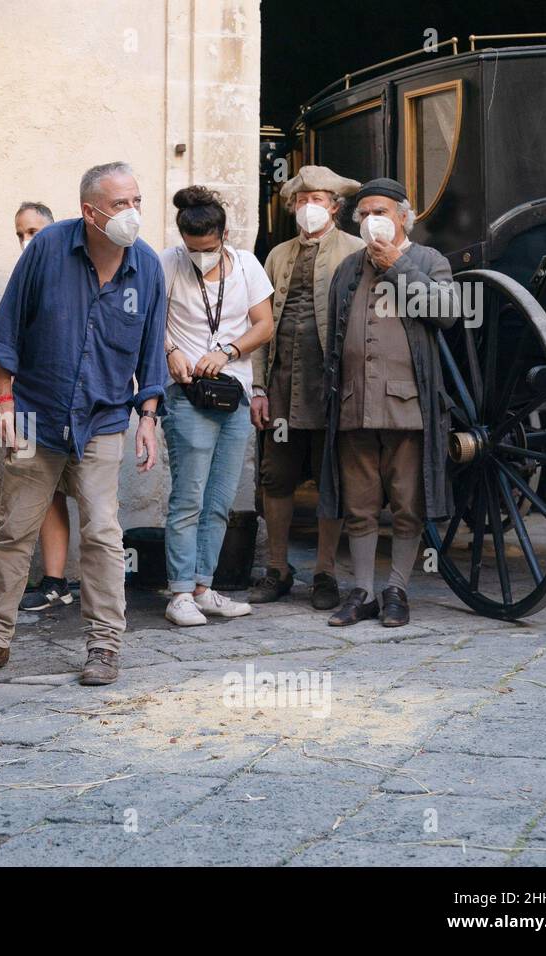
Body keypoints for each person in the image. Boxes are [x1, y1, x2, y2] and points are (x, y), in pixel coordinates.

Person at [0, 161, 167, 686]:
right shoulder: (48, 249)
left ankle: (104, 648)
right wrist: (3, 403)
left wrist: (147, 416)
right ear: (89, 211)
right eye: (120, 204)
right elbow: (5, 329)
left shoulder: (145, 267)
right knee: (14, 531)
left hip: (102, 420)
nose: (132, 213)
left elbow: (151, 353)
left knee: (102, 533)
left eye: (137, 202)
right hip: (36, 415)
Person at [319, 178, 458, 627]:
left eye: (379, 211)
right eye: (363, 214)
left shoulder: (429, 261)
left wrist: (398, 265)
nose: (370, 220)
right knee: (358, 506)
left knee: (406, 504)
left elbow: (446, 312)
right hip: (354, 406)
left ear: (403, 215)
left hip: (408, 407)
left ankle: (396, 589)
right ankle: (361, 592)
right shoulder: (347, 268)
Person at [248, 166, 364, 610]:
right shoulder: (277, 255)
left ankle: (325, 573)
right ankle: (277, 568)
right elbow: (259, 324)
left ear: (335, 207)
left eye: (319, 199)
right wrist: (258, 387)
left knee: (330, 480)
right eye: (302, 199)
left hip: (331, 389)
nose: (309, 207)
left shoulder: (355, 250)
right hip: (281, 387)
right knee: (275, 478)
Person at [158, 187, 274, 627]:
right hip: (186, 392)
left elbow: (264, 324)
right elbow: (151, 320)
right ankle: (180, 592)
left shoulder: (246, 264)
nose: (199, 256)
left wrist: (226, 351)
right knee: (188, 496)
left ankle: (204, 586)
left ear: (224, 236)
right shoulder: (167, 263)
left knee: (221, 498)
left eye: (207, 249)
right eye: (191, 248)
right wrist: (171, 352)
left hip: (234, 391)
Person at [10, 201, 75, 612]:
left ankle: (104, 593)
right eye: (19, 233)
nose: (25, 241)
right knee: (47, 495)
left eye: (33, 232)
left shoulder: (74, 275)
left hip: (81, 408)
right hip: (34, 407)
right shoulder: (24, 279)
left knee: (94, 498)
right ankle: (55, 582)